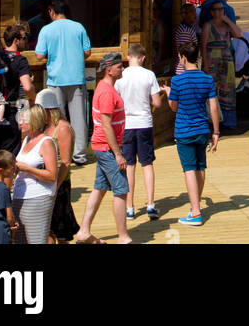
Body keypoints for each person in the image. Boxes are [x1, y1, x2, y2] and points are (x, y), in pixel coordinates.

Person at [76, 53, 131, 245]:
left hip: (102, 146)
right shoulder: (107, 92)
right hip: (107, 148)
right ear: (109, 70)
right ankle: (123, 237)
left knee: (99, 188)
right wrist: (118, 154)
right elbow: (106, 125)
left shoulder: (103, 87)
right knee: (121, 190)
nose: (122, 69)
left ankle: (83, 231)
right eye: (119, 66)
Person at [34, 0, 92, 166]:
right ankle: (79, 155)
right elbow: (87, 52)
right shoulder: (78, 27)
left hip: (55, 79)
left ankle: (57, 152)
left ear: (52, 11)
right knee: (79, 118)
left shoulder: (46, 30)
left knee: (55, 118)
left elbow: (38, 55)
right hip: (76, 77)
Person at [168, 40, 219, 226]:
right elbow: (213, 107)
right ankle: (196, 206)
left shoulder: (177, 80)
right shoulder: (207, 79)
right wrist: (216, 132)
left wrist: (168, 94)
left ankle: (196, 211)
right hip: (203, 129)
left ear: (182, 58)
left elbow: (173, 107)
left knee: (189, 169)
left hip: (184, 129)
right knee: (200, 167)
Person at [116, 43, 164, 219]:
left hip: (126, 124)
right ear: (143, 58)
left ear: (128, 57)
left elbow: (116, 102)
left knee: (129, 165)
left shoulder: (120, 76)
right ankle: (150, 204)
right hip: (144, 123)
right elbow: (157, 103)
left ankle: (129, 207)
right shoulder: (149, 75)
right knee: (147, 164)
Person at [35, 87, 79, 243]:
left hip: (59, 182)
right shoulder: (45, 127)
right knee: (47, 227)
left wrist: (56, 186)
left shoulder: (63, 128)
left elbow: (66, 162)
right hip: (46, 181)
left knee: (60, 230)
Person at [11, 105, 59, 245]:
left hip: (38, 198)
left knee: (36, 240)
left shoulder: (46, 142)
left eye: (24, 120)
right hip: (20, 196)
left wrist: (27, 168)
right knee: (20, 240)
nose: (20, 123)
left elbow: (52, 175)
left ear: (34, 121)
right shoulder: (26, 140)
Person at [201, 0, 239, 130]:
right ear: (211, 12)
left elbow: (238, 34)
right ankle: (212, 119)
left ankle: (228, 120)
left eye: (221, 9)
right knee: (211, 89)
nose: (219, 12)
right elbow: (204, 46)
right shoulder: (208, 25)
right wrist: (205, 65)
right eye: (216, 10)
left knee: (228, 89)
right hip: (212, 60)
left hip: (226, 60)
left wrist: (228, 20)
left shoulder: (227, 26)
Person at [174, 2, 201, 68]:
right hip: (185, 68)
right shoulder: (185, 31)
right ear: (184, 15)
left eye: (195, 11)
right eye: (191, 12)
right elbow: (186, 52)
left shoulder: (188, 28)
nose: (195, 14)